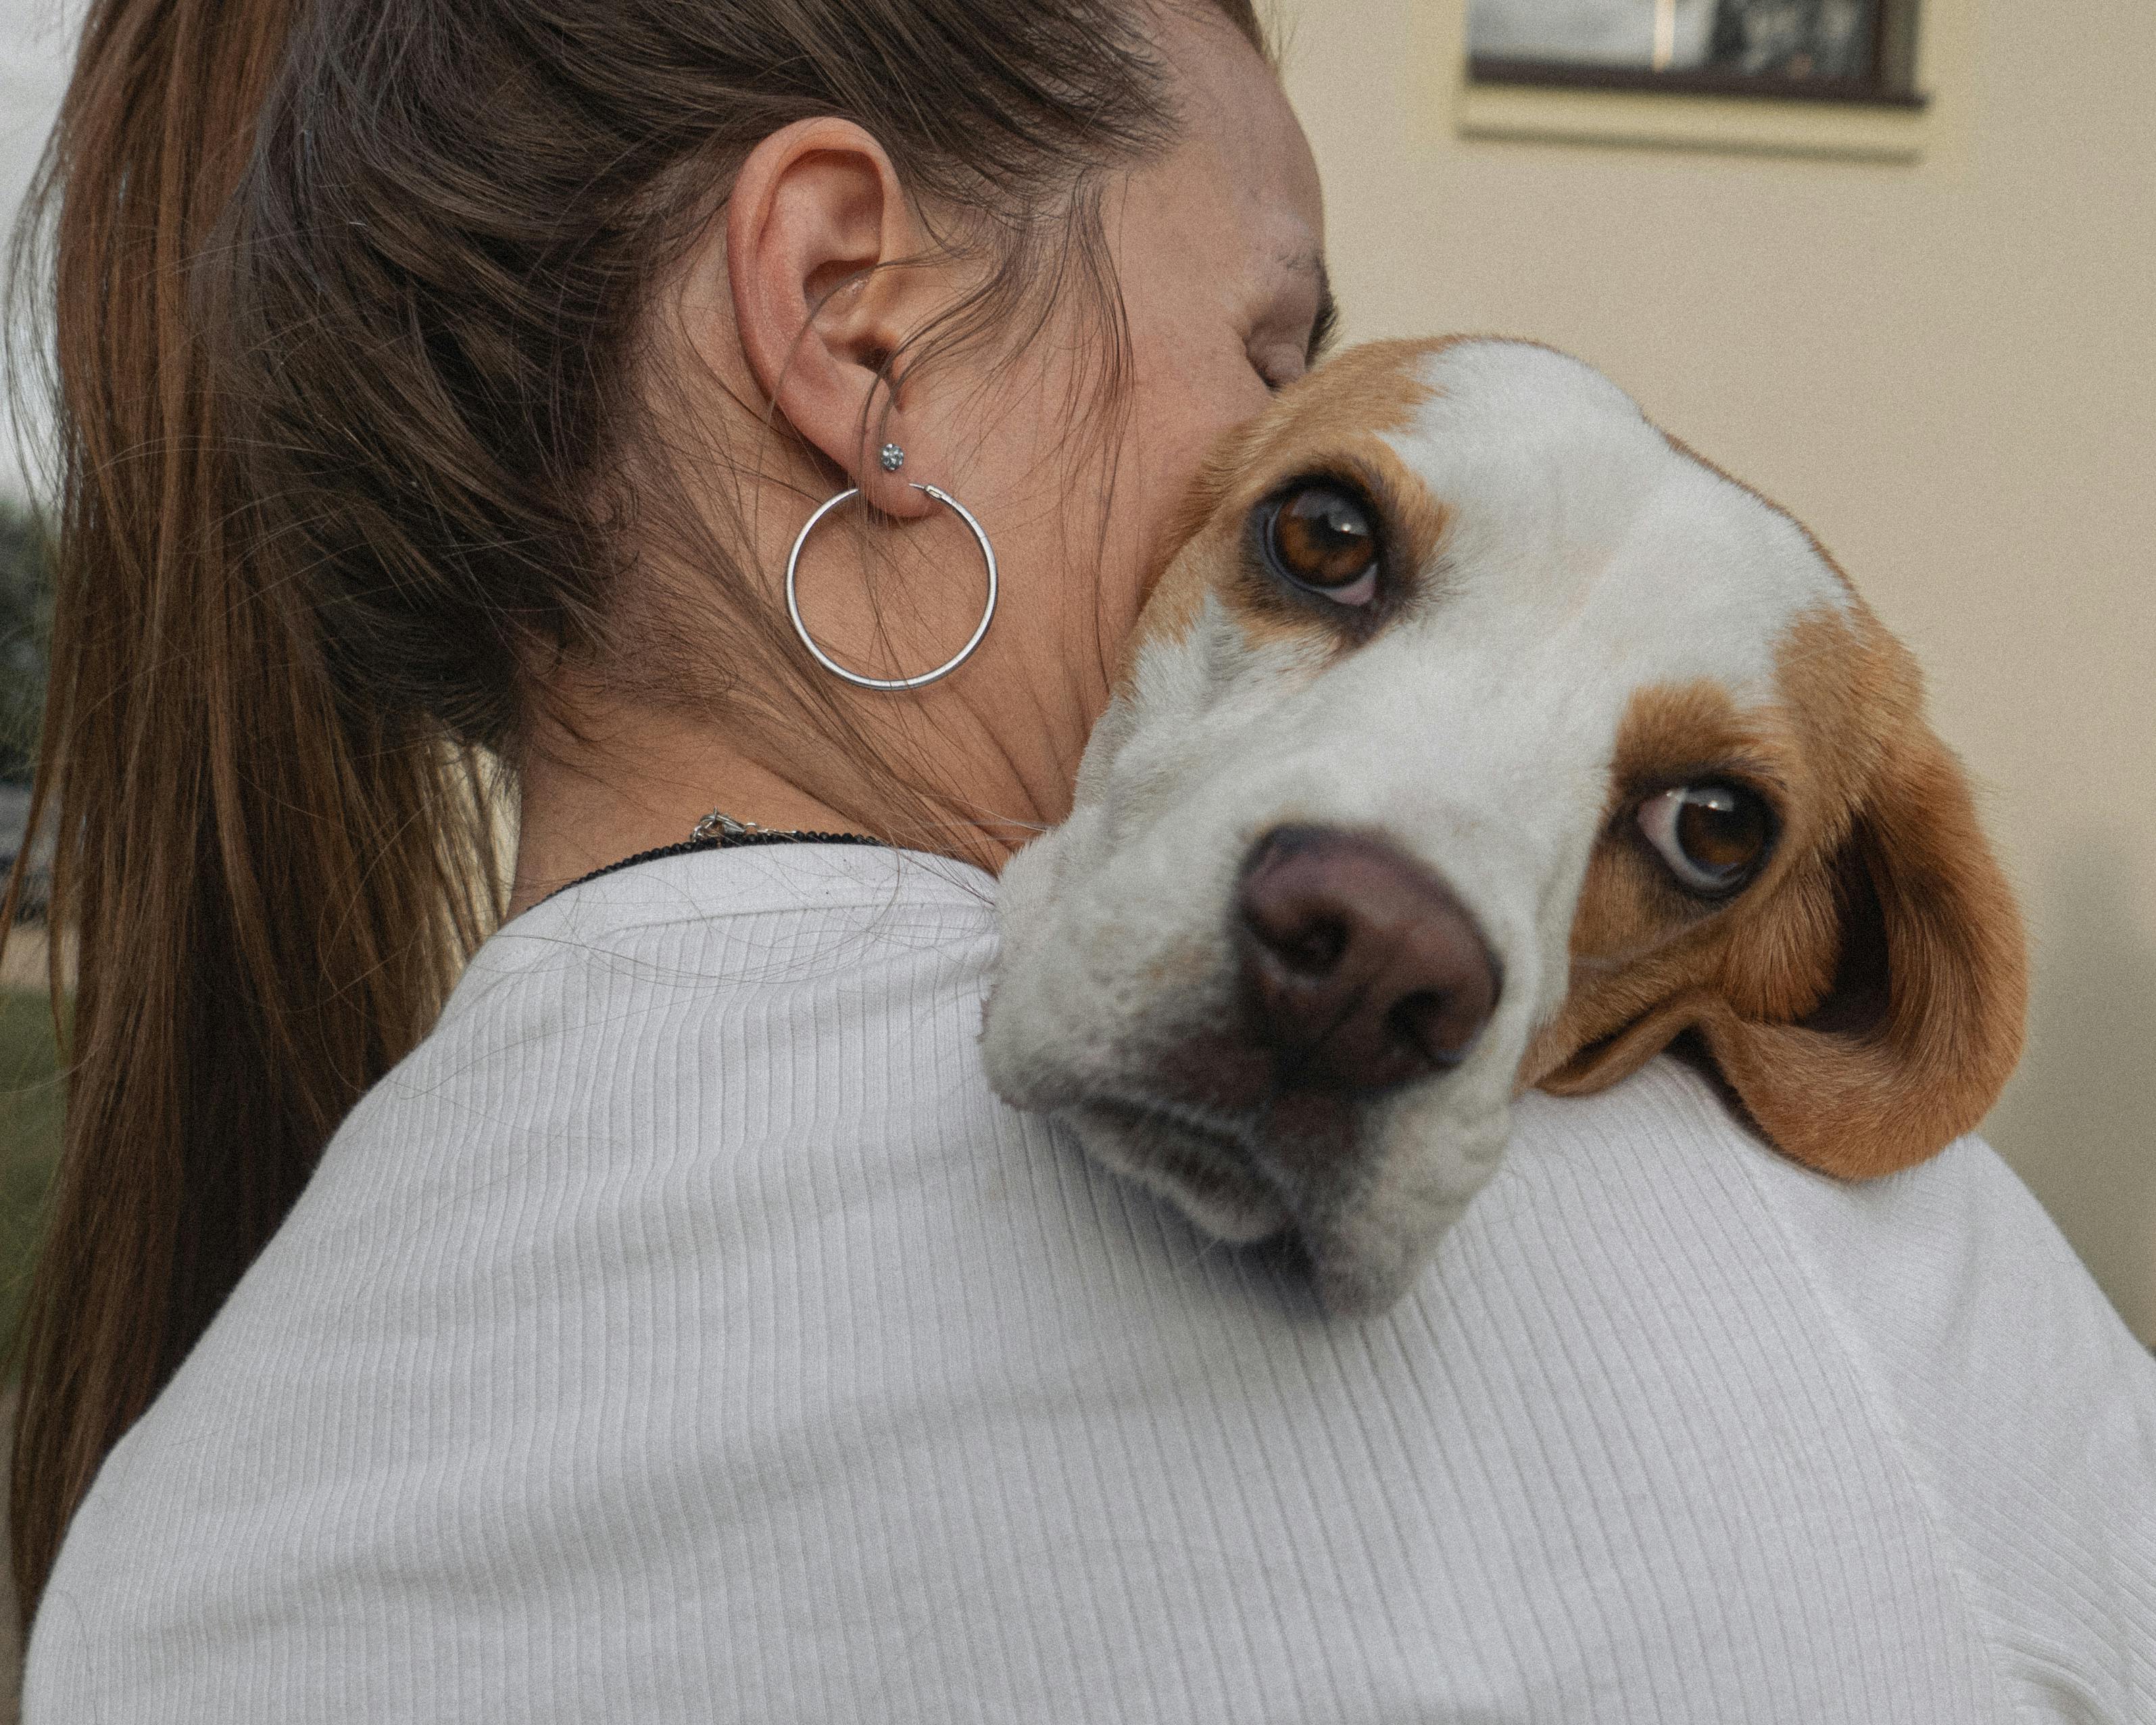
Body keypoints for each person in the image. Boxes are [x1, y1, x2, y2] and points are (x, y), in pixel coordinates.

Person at [7, 0, 2153, 1717]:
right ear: (852, 313)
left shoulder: (173, 1566)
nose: (1396, 944)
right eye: (1288, 408)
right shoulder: (1866, 1311)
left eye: (1700, 831)